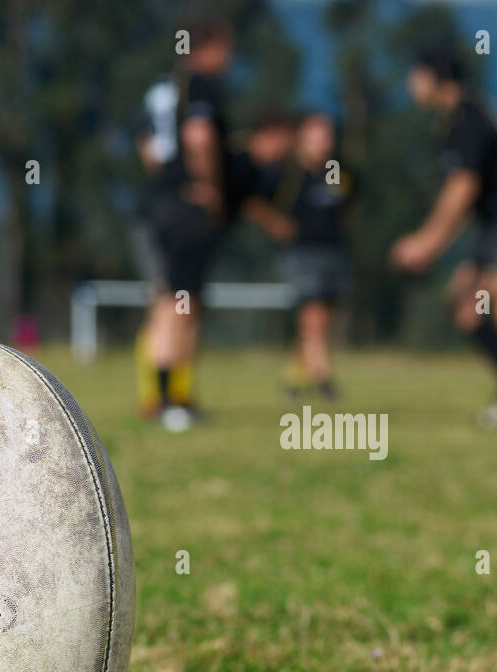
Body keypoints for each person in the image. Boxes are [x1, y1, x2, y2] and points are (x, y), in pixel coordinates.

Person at [390, 46, 497, 437]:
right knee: (468, 308)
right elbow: (465, 198)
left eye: (416, 76)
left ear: (438, 79)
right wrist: (437, 240)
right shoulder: (454, 120)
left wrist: (426, 242)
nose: (410, 85)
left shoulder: (467, 119)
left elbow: (462, 189)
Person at [132, 16, 235, 431]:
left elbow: (148, 147)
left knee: (167, 299)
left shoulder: (162, 88)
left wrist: (167, 179)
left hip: (160, 205)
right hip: (186, 208)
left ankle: (167, 399)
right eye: (226, 48)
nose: (230, 58)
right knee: (182, 303)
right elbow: (198, 136)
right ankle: (171, 400)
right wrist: (207, 185)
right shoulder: (198, 86)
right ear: (206, 47)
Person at [249, 111, 354, 400]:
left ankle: (295, 379)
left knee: (321, 319)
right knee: (314, 314)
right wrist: (274, 224)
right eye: (317, 134)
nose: (324, 141)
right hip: (301, 252)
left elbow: (343, 203)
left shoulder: (335, 170)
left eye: (327, 134)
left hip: (333, 249)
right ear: (301, 138)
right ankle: (324, 379)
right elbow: (252, 199)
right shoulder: (286, 172)